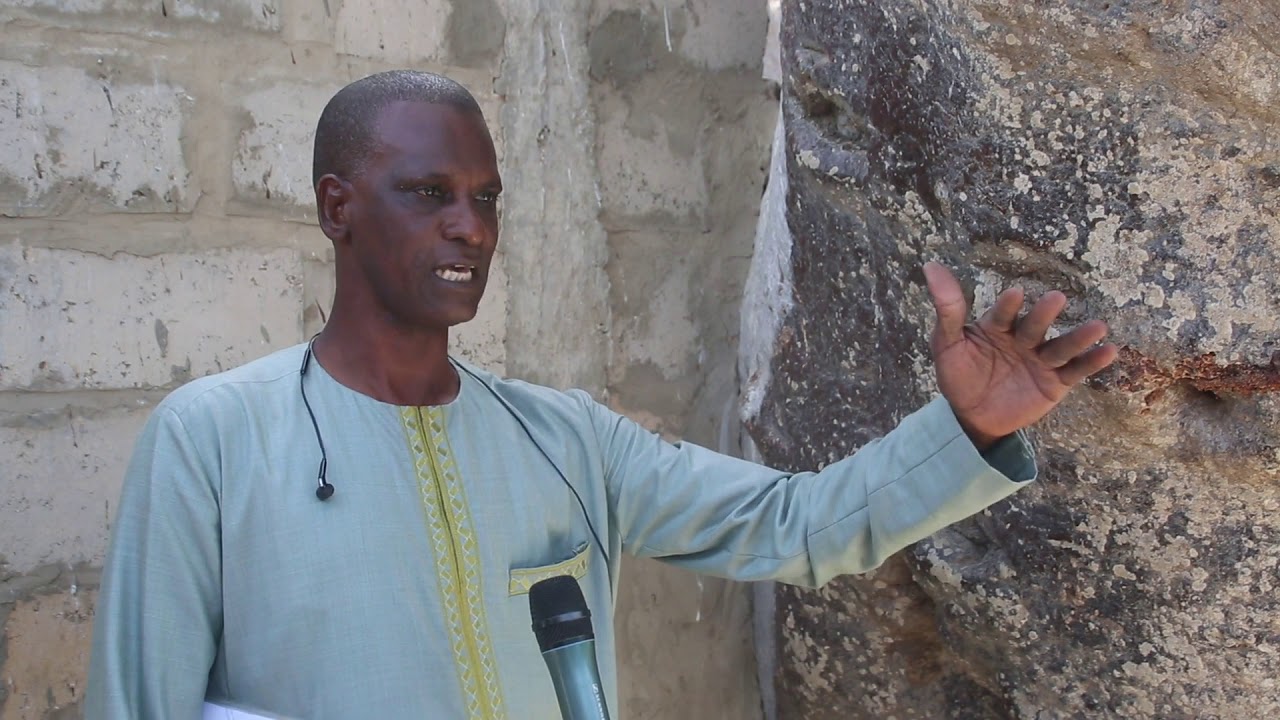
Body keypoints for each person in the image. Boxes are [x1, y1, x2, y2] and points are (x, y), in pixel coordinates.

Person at [84, 70, 1117, 719]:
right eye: (429, 194)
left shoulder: (561, 440)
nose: (471, 227)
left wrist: (965, 427)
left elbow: (795, 526)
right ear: (335, 208)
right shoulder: (213, 439)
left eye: (486, 199)